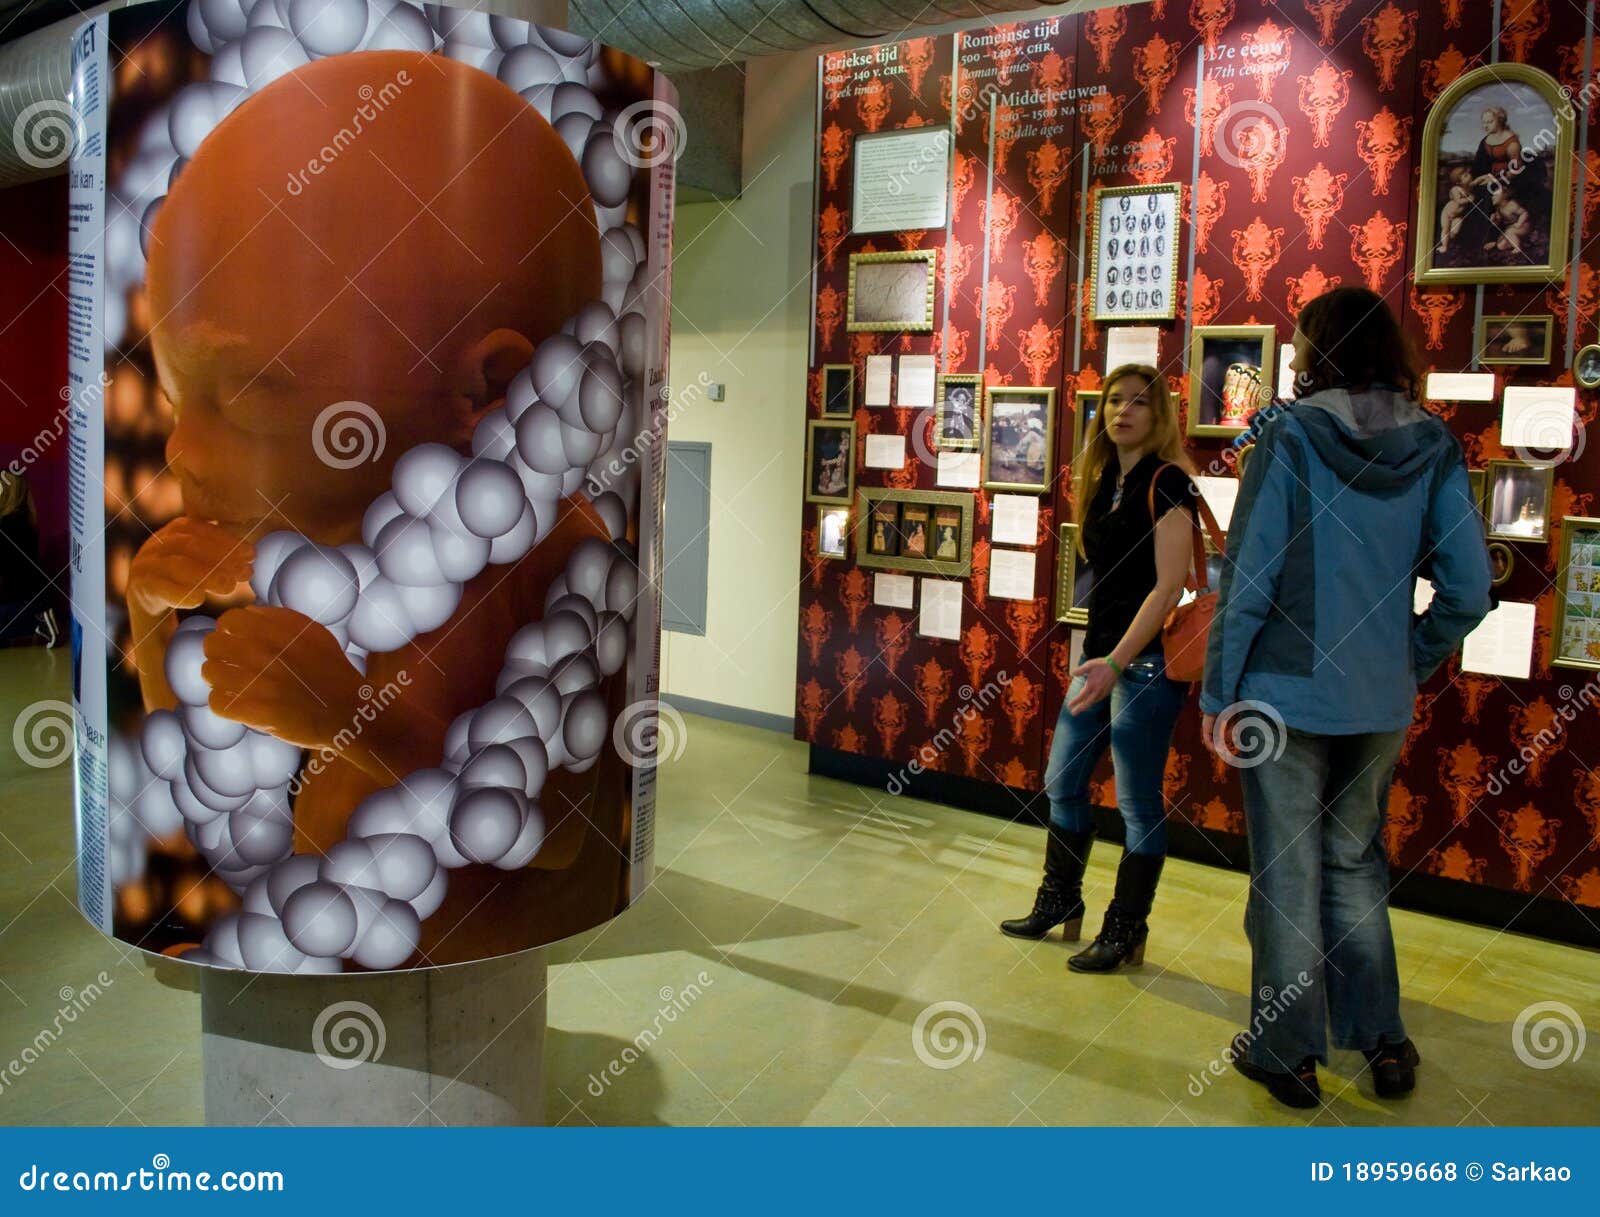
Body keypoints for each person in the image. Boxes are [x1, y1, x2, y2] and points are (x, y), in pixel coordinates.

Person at [129, 52, 629, 960]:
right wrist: (153, 623)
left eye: (246, 393)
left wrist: (351, 716)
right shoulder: (325, 552)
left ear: (490, 387)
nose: (180, 454)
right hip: (335, 933)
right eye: (172, 402)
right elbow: (212, 761)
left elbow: (562, 833)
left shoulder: (558, 554)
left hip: (457, 973)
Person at [1201, 287, 1491, 1107]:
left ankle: (1288, 1053)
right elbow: (1468, 589)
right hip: (1379, 698)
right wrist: (1409, 657)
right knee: (1354, 864)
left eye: (1299, 346)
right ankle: (1383, 1042)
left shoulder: (1288, 437)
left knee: (1287, 875)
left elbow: (1247, 580)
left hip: (1281, 698)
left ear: (1321, 351)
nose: (1289, 359)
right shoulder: (1435, 444)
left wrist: (1218, 695)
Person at [1000, 363, 1198, 973]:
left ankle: (1124, 929)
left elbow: (1168, 588)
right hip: (1102, 659)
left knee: (1137, 804)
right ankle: (1060, 900)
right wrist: (1090, 654)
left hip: (1144, 667)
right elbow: (1105, 585)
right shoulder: (1108, 478)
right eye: (1114, 401)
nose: (1123, 412)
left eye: (1138, 402)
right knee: (1063, 780)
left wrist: (1116, 660)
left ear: (1157, 415)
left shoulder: (1168, 483)